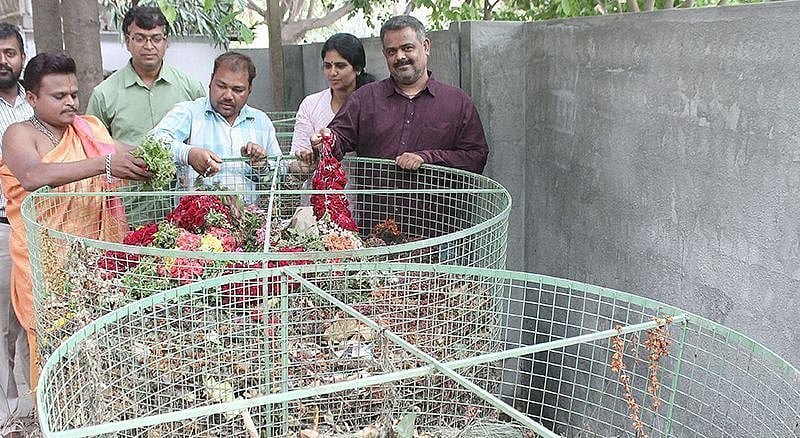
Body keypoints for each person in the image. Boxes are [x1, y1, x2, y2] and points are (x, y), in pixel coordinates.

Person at [0, 52, 153, 394]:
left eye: (74, 94)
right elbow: (32, 175)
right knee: (49, 347)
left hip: (91, 262)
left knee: (97, 346)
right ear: (32, 98)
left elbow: (129, 153)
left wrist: (177, 156)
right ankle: (47, 418)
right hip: (43, 263)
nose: (70, 102)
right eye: (59, 96)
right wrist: (105, 165)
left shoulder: (88, 131)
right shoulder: (19, 133)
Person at [299, 15, 488, 175]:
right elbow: (339, 138)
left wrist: (428, 158)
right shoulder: (365, 98)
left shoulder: (457, 103)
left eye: (407, 48)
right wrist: (325, 138)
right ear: (384, 54)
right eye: (392, 51)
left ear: (426, 46)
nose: (399, 57)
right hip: (375, 217)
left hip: (438, 216)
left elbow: (476, 158)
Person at [149, 52, 280, 192]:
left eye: (238, 90)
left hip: (249, 213)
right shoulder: (189, 112)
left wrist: (262, 167)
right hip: (196, 212)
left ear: (250, 89)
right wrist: (188, 154)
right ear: (211, 80)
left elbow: (280, 176)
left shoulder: (261, 122)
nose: (228, 96)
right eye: (221, 86)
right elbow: (154, 141)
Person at [86, 5, 205, 147]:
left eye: (156, 38)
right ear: (127, 42)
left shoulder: (191, 89)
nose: (149, 46)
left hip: (180, 168)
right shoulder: (103, 94)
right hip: (125, 169)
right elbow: (92, 145)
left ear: (166, 42)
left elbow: (204, 137)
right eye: (139, 38)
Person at [0, 22, 31, 434]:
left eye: (9, 52)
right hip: (2, 230)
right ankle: (6, 415)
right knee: (2, 325)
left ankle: (39, 406)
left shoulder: (37, 102)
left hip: (40, 228)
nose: (2, 60)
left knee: (32, 321)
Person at [290, 33, 376, 155]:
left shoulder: (374, 103)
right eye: (327, 66)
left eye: (340, 66)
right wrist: (304, 162)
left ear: (358, 69)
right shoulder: (310, 105)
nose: (332, 72)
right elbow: (295, 159)